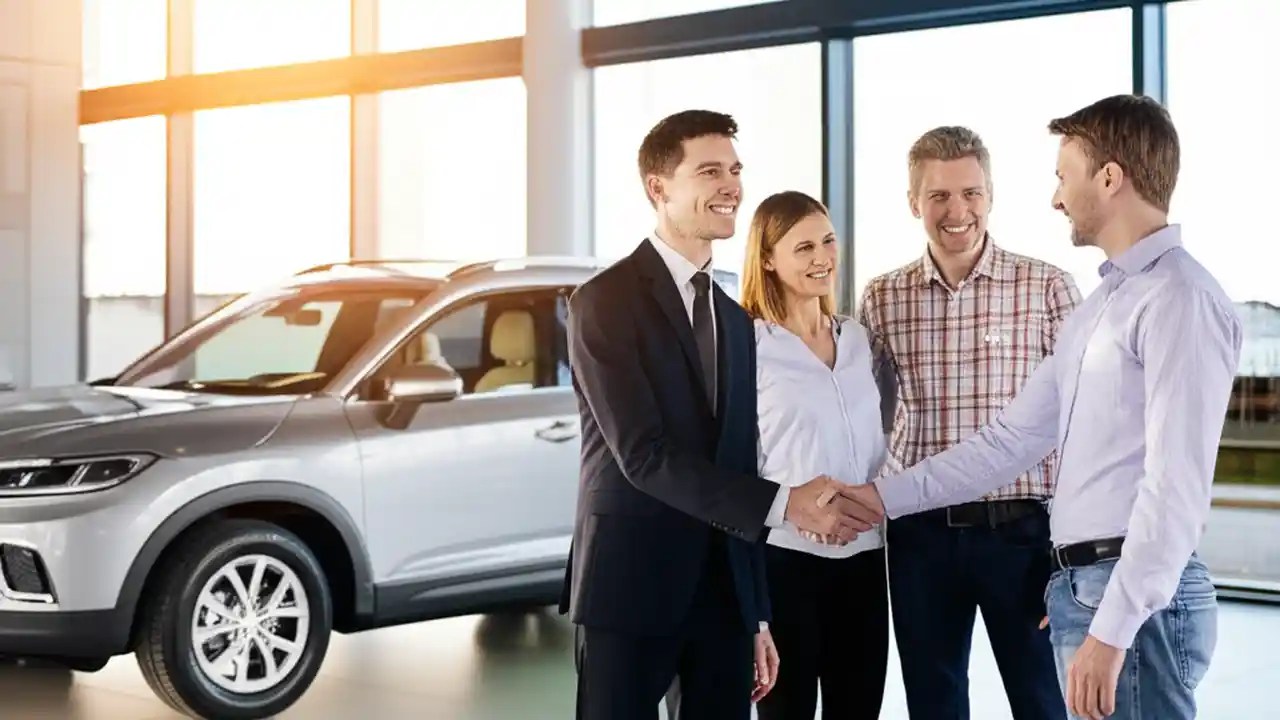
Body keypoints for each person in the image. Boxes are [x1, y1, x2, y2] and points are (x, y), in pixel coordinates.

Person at [849, 94, 1241, 720]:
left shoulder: (1178, 298)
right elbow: (1009, 440)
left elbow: (1175, 491)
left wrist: (1110, 630)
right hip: (1081, 584)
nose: (1056, 198)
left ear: (1108, 178)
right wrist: (878, 500)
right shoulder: (1103, 305)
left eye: (1064, 176)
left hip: (1126, 596)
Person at [561, 109, 880, 720]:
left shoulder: (734, 319)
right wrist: (789, 503)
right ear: (660, 188)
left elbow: (737, 456)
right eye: (710, 171)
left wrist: (756, 611)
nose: (731, 185)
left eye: (735, 170)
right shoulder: (603, 301)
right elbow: (643, 455)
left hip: (723, 599)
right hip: (631, 585)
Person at [858, 125, 1080, 719]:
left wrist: (1069, 548)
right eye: (939, 196)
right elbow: (867, 416)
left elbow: (1084, 423)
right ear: (914, 204)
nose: (957, 211)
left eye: (971, 193)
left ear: (991, 194)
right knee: (933, 703)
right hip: (919, 537)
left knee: (1042, 700)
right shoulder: (882, 297)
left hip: (1024, 536)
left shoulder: (1047, 287)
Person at [740, 190, 893, 720]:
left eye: (827, 241)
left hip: (866, 564)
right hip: (787, 565)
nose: (821, 257)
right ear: (767, 259)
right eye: (802, 247)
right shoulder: (749, 348)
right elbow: (738, 467)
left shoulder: (857, 340)